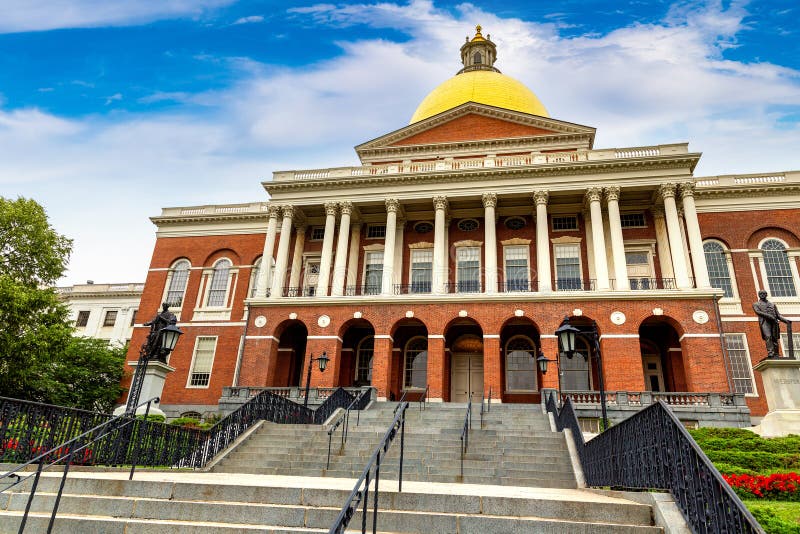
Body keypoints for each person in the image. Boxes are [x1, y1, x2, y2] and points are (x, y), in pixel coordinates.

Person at [753, 290, 791, 358]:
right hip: (765, 322)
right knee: (768, 336)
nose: (762, 294)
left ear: (766, 294)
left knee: (774, 338)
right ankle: (770, 353)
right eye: (760, 293)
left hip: (774, 322)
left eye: (764, 293)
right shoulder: (756, 304)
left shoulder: (772, 304)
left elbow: (778, 315)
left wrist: (786, 320)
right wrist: (769, 316)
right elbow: (758, 312)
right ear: (758, 295)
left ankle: (776, 354)